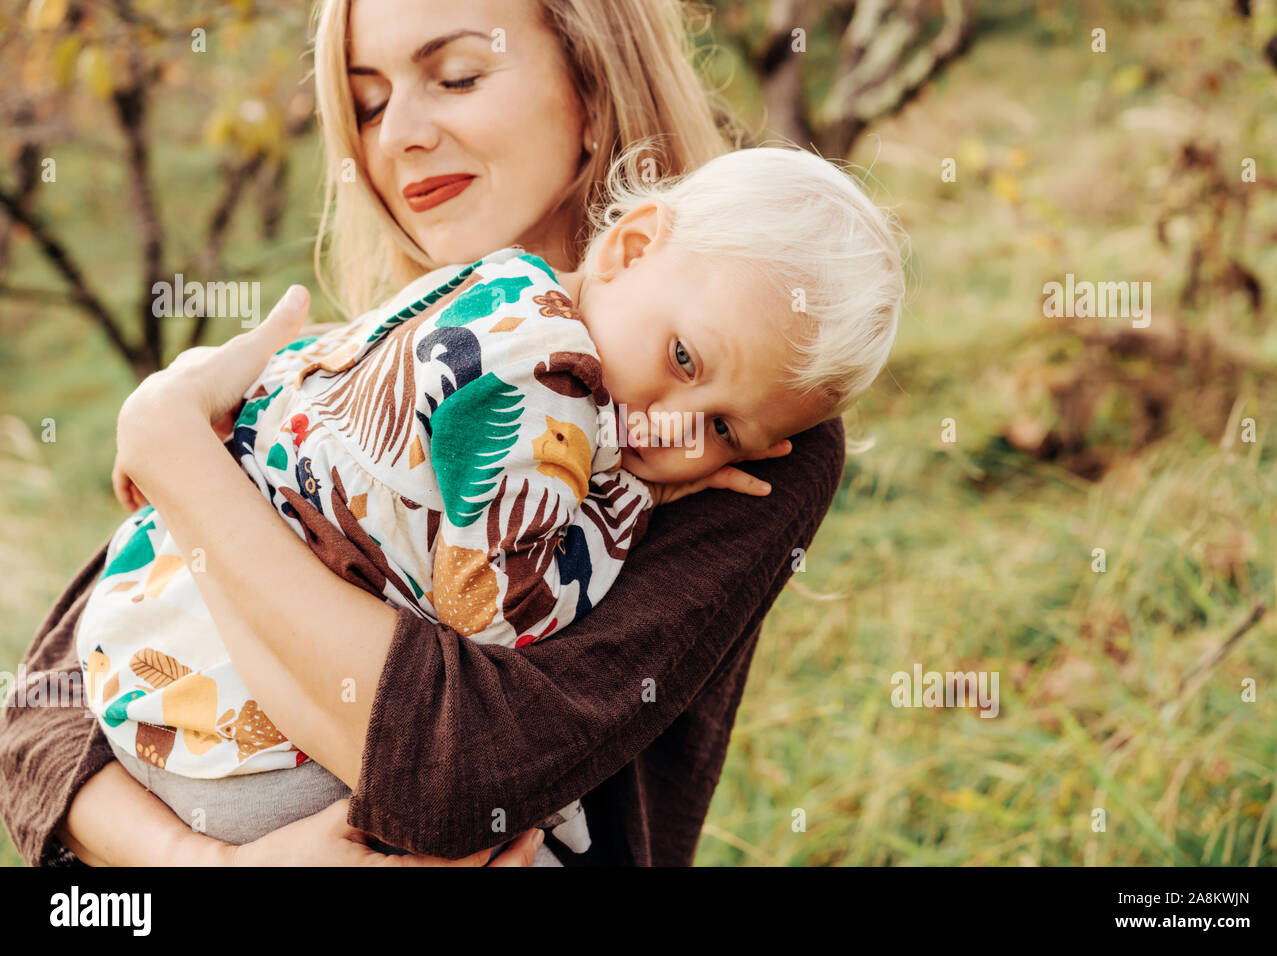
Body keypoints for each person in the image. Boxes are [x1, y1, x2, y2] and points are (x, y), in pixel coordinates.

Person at [0, 0, 854, 866]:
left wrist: (177, 452)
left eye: (456, 77)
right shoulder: (373, 360)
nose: (398, 135)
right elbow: (40, 714)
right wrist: (205, 863)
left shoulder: (740, 423)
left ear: (593, 89)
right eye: (368, 102)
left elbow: (457, 777)